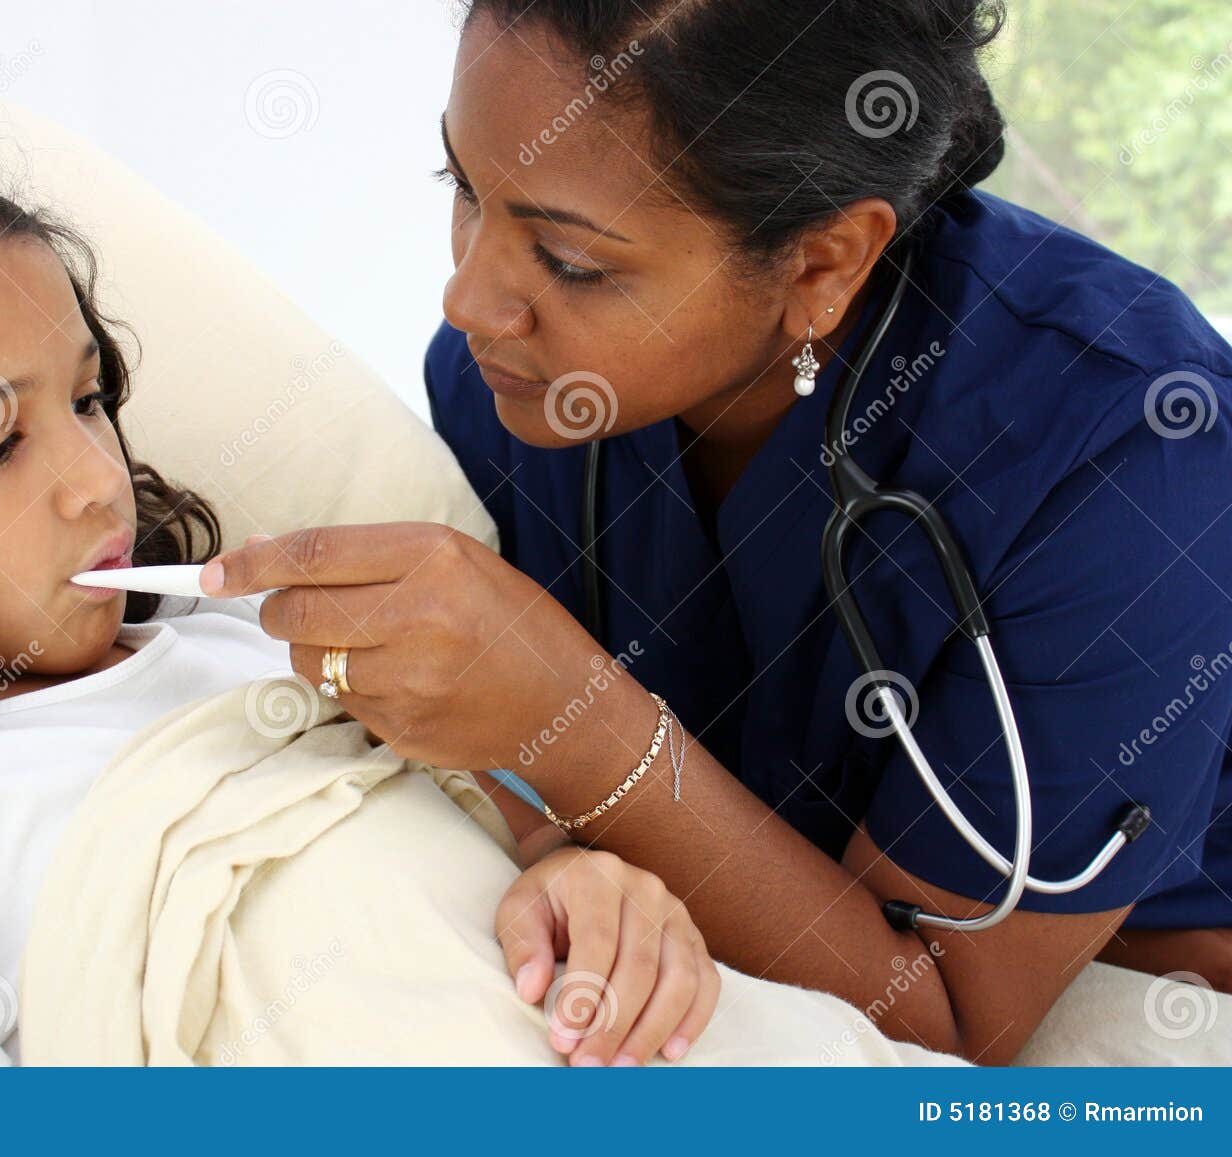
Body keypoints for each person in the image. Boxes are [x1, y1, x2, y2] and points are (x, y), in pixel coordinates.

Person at [196, 0, 1232, 1063]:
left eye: (570, 260)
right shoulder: (504, 389)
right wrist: (556, 839)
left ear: (822, 266)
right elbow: (521, 786)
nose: (467, 299)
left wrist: (574, 723)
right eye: (461, 185)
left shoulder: (1125, 442)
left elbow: (947, 1018)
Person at [0, 151, 717, 1066]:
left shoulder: (269, 644)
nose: (98, 479)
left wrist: (581, 883)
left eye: (87, 398)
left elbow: (516, 845)